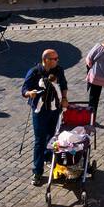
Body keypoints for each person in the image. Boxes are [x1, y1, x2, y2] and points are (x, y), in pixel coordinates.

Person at [21, 48, 68, 186]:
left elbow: (64, 85)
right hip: (40, 112)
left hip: (55, 110)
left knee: (53, 136)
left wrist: (64, 98)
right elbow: (24, 89)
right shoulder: (34, 72)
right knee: (39, 140)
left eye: (57, 58)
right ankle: (37, 171)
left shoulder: (59, 70)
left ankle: (50, 159)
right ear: (46, 60)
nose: (57, 60)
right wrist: (30, 93)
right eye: (54, 59)